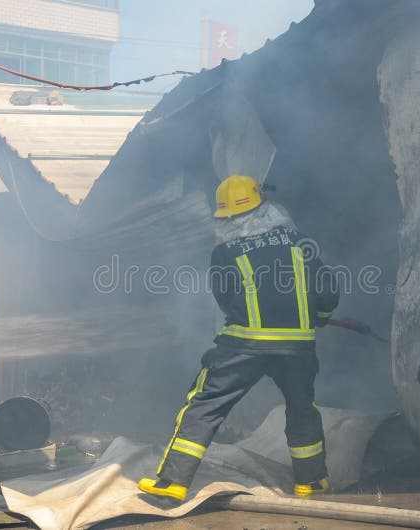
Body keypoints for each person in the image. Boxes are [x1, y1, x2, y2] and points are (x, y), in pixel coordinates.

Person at [138, 174, 339, 502]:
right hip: (298, 348)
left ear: (225, 219)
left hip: (244, 345)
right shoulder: (300, 242)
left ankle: (172, 482)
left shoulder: (225, 252)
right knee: (302, 408)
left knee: (204, 405)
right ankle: (311, 483)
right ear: (265, 208)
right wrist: (319, 319)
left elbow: (226, 300)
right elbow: (328, 292)